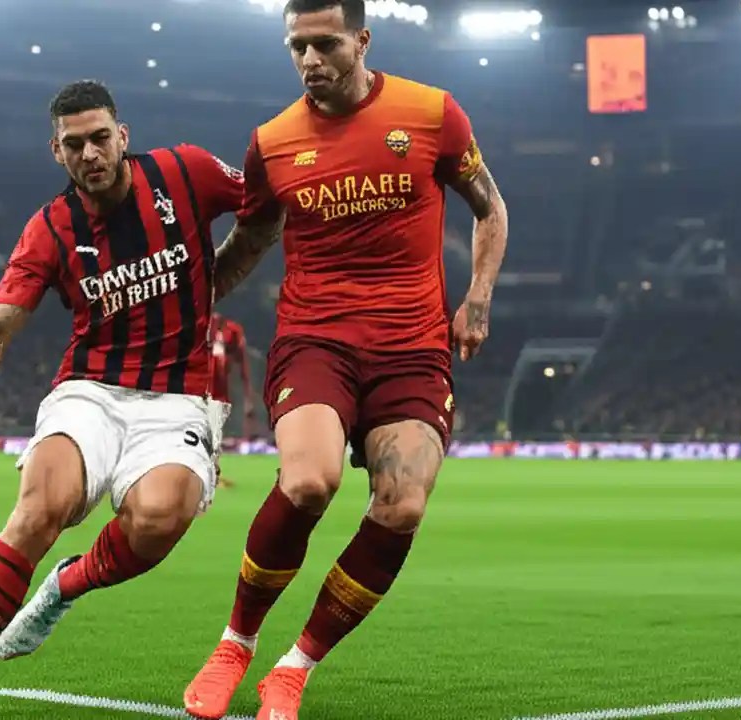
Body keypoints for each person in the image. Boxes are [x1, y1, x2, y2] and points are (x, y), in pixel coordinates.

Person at [182, 1, 509, 718]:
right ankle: (236, 642)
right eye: (296, 46)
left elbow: (490, 206)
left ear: (361, 40)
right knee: (308, 484)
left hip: (412, 349)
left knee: (403, 505)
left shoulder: (432, 114)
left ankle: (294, 667)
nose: (309, 60)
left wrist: (477, 298)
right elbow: (252, 240)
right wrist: (187, 298)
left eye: (325, 43)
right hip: (316, 340)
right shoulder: (272, 142)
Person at [0, 79, 244, 700]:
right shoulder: (49, 229)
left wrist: (221, 274)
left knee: (157, 519)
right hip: (89, 390)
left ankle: (66, 586)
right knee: (41, 506)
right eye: (74, 144)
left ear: (123, 136)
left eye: (100, 138)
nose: (90, 154)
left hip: (179, 396)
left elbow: (267, 205)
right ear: (57, 152)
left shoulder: (189, 172)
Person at [208, 312, 254, 488]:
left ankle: (213, 473)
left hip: (219, 392)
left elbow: (243, 365)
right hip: (197, 390)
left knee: (215, 432)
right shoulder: (198, 327)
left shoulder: (232, 331)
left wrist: (248, 397)